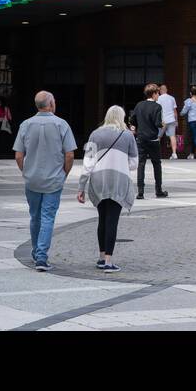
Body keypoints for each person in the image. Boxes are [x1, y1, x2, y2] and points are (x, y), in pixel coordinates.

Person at [13, 90, 77, 272]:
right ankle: (42, 256)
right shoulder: (61, 124)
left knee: (35, 216)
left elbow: (18, 155)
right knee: (48, 216)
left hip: (32, 179)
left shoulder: (26, 124)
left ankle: (36, 252)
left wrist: (25, 171)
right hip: (53, 179)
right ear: (51, 104)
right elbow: (70, 154)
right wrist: (64, 173)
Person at [77, 105, 138, 273]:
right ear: (122, 117)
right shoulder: (128, 136)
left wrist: (81, 186)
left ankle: (102, 256)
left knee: (102, 219)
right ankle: (109, 262)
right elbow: (134, 164)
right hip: (118, 181)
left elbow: (87, 163)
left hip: (99, 181)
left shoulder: (95, 134)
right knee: (112, 221)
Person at [131, 84, 168, 196]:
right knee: (156, 164)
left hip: (141, 138)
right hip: (153, 139)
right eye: (157, 93)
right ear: (154, 94)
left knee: (141, 164)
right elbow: (157, 123)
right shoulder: (157, 107)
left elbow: (133, 120)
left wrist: (136, 128)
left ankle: (140, 192)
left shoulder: (139, 105)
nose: (158, 96)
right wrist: (163, 124)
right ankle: (158, 190)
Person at [156, 83, 179, 159]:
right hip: (172, 119)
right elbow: (175, 111)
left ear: (160, 90)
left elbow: (157, 110)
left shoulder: (159, 98)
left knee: (158, 137)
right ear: (166, 90)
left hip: (163, 120)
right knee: (172, 136)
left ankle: (156, 154)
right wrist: (176, 121)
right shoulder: (172, 98)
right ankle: (174, 153)